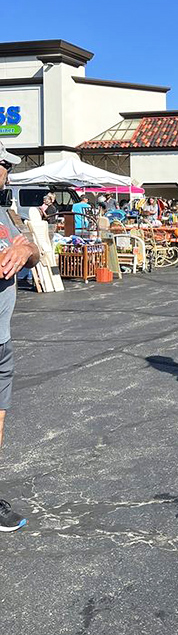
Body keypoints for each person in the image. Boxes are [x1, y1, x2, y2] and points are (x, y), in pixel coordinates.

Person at [0, 143, 40, 531]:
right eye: (1, 165)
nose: (5, 173)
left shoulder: (3, 212)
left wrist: (26, 247)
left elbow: (35, 255)